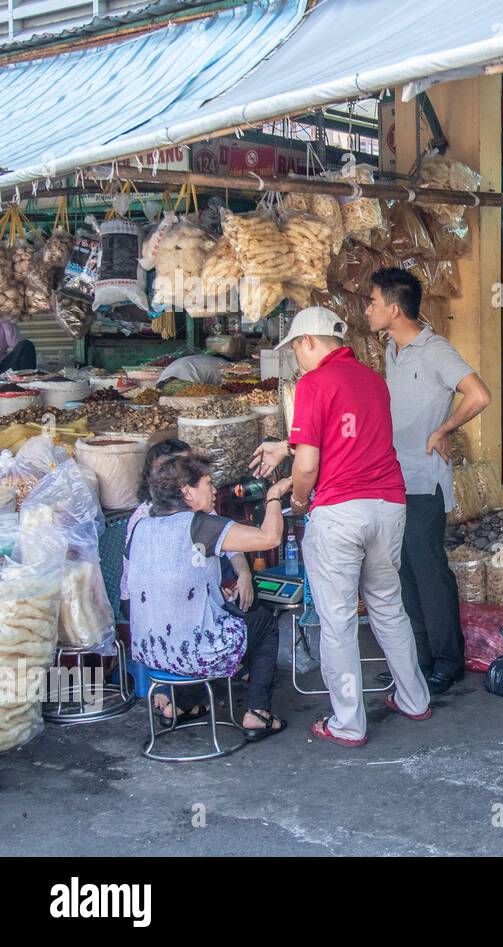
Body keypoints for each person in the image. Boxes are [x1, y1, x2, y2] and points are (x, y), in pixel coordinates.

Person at [249, 307, 431, 748]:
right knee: (388, 606)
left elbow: (310, 463)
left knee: (337, 621)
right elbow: (348, 437)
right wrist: (287, 447)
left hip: (340, 512)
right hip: (388, 506)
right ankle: (414, 699)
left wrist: (296, 500)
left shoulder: (313, 384)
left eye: (295, 348)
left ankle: (348, 723)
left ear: (308, 342)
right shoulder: (373, 382)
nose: (296, 358)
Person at [365, 268, 491, 695]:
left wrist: (444, 430)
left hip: (423, 481)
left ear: (394, 309)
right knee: (401, 572)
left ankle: (447, 662)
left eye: (373, 302)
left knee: (429, 571)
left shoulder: (436, 350)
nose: (368, 309)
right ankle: (414, 660)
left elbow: (479, 394)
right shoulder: (392, 350)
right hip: (391, 478)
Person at [125, 452, 291, 740]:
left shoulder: (141, 526)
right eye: (208, 483)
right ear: (187, 491)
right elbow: (269, 538)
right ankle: (257, 713)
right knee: (263, 621)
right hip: (192, 653)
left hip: (150, 653)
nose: (214, 490)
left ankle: (186, 704)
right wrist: (274, 496)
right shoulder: (199, 524)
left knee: (201, 626)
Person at [156, 353, 229, 393]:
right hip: (187, 370)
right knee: (192, 392)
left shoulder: (210, 359)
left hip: (177, 368)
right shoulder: (225, 364)